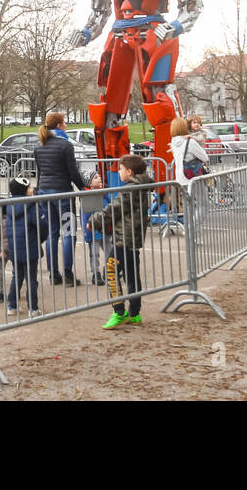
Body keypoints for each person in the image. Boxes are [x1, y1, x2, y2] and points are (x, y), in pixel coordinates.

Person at [93, 154, 154, 329]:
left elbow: (114, 209)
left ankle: (119, 311)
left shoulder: (131, 189)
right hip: (132, 238)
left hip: (124, 239)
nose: (118, 172)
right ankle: (134, 313)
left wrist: (95, 220)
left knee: (110, 271)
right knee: (131, 274)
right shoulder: (142, 185)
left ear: (129, 171)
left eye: (120, 169)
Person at [33, 111, 90, 286]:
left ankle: (54, 274)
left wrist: (39, 189)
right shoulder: (65, 146)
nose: (66, 126)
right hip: (63, 195)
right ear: (58, 125)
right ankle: (67, 273)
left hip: (45, 193)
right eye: (64, 123)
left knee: (52, 233)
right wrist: (82, 187)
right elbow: (72, 172)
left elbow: (40, 173)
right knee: (69, 233)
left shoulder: (39, 146)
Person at [3, 175, 47, 317]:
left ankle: (12, 306)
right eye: (29, 187)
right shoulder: (32, 206)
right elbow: (43, 226)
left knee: (17, 277)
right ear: (23, 191)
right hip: (30, 247)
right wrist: (39, 240)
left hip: (15, 248)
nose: (32, 189)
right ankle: (33, 308)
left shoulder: (10, 207)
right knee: (31, 279)